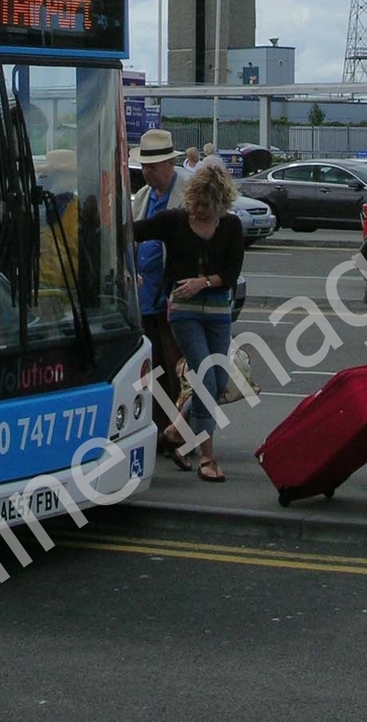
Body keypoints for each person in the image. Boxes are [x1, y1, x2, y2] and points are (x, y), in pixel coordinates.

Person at [132, 159, 244, 482]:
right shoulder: (174, 220)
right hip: (183, 312)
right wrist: (130, 270)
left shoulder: (232, 227)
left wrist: (204, 282)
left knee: (220, 382)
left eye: (204, 211)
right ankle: (207, 458)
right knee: (206, 379)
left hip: (219, 314)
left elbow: (231, 273)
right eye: (193, 207)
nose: (196, 215)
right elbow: (130, 231)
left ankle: (175, 432)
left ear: (219, 206)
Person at [130, 129, 189, 451]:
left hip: (175, 295)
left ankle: (181, 431)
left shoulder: (189, 192)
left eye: (152, 167)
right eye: (144, 167)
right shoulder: (143, 196)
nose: (146, 172)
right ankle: (158, 428)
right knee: (150, 368)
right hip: (145, 295)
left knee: (177, 365)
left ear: (169, 163)